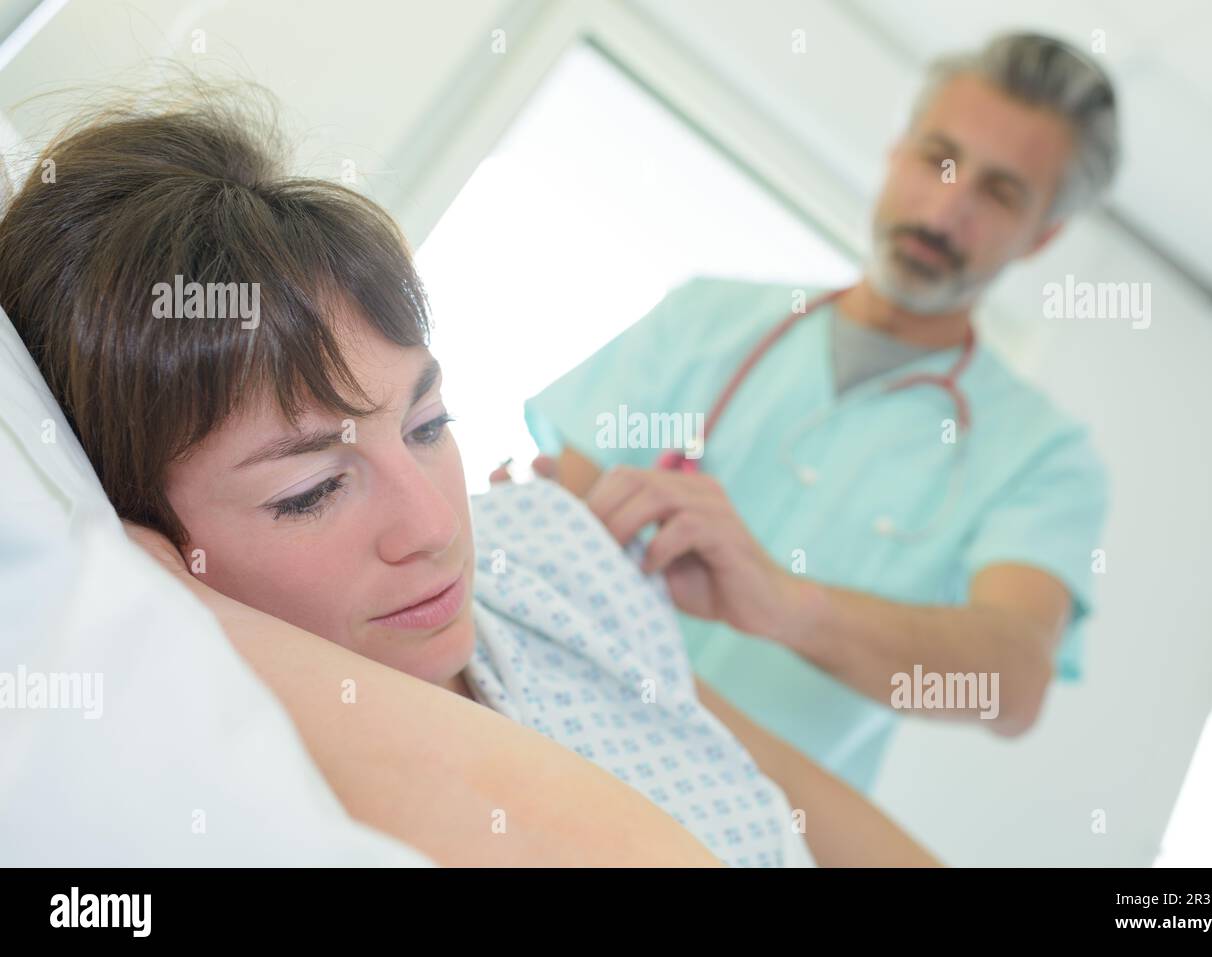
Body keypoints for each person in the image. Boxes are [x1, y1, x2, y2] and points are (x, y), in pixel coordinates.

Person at [0, 89, 937, 867]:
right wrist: (175, 608)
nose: (434, 526)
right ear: (148, 536)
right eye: (311, 490)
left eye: (427, 424)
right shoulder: (218, 799)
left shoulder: (549, 556)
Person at [520, 32, 1119, 794]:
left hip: (740, 830)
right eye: (937, 158)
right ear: (896, 151)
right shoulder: (703, 320)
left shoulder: (1045, 456)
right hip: (538, 746)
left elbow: (1010, 681)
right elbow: (557, 513)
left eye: (1000, 193)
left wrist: (786, 605)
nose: (946, 208)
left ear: (1044, 235)